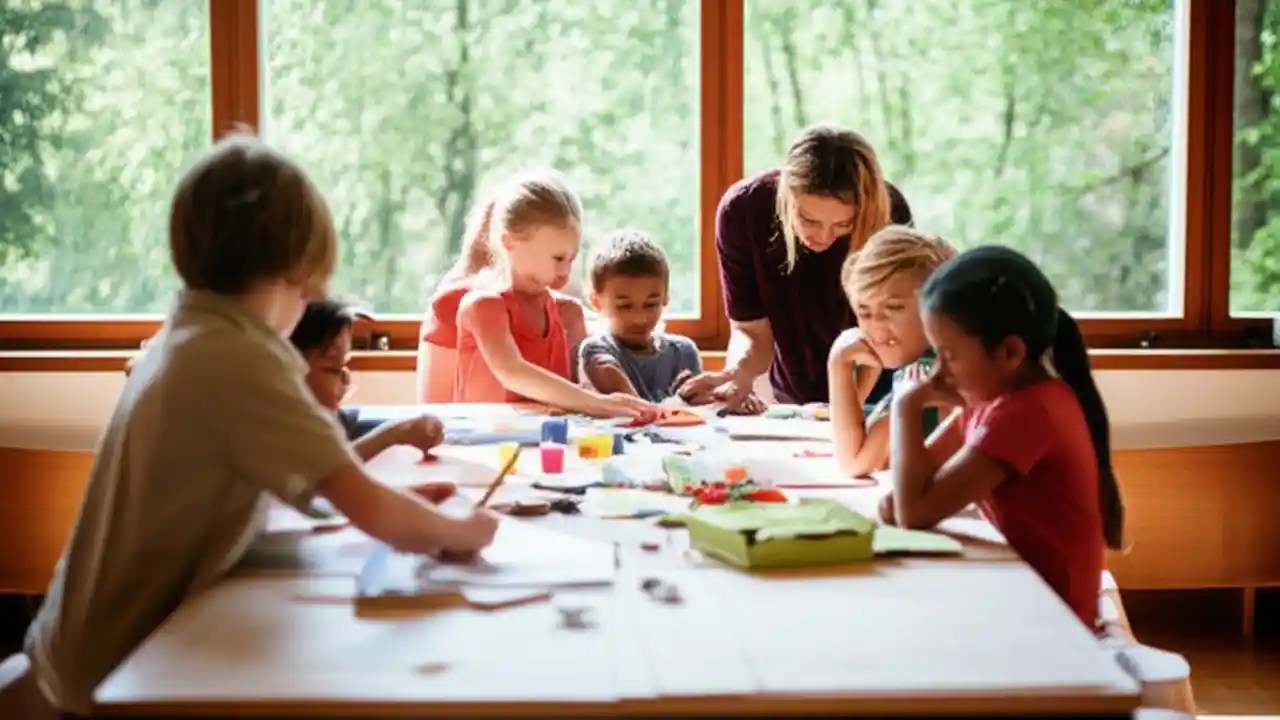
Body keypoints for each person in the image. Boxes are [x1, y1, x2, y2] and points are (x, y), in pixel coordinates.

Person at [22, 135, 499, 715]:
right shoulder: (245, 356)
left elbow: (290, 487)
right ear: (296, 269)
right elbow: (369, 510)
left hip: (80, 645)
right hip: (125, 667)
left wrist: (392, 501)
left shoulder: (186, 331)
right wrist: (463, 530)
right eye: (310, 289)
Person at [881, 245, 1125, 629]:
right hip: (1022, 596)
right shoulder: (995, 399)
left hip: (1054, 622)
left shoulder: (1028, 412)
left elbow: (913, 511)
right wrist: (910, 496)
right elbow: (912, 492)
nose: (937, 372)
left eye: (949, 355)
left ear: (1010, 352)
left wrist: (905, 407)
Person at [678, 124, 913, 412]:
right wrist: (737, 375)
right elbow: (751, 331)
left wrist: (847, 409)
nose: (824, 237)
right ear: (786, 193)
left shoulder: (889, 213)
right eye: (809, 219)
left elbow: (888, 333)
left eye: (843, 225)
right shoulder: (744, 211)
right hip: (793, 390)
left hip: (880, 388)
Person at [448, 171, 661, 418]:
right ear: (510, 243)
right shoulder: (482, 307)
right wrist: (598, 403)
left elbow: (578, 389)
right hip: (482, 446)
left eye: (571, 259)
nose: (565, 271)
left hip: (552, 443)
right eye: (557, 258)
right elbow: (513, 372)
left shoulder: (568, 313)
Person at [827, 226, 955, 477]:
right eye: (864, 312)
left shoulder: (928, 373)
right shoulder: (931, 361)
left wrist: (838, 363)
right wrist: (869, 370)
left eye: (894, 307)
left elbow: (854, 463)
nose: (876, 326)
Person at [290, 299, 455, 476]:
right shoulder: (279, 431)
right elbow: (321, 470)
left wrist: (413, 430)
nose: (345, 378)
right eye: (332, 368)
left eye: (345, 366)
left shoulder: (332, 420)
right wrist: (392, 435)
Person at [579, 229, 703, 402]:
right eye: (625, 306)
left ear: (666, 297)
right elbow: (634, 409)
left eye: (651, 304)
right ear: (596, 301)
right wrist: (680, 402)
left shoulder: (683, 353)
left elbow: (699, 412)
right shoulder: (596, 351)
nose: (640, 319)